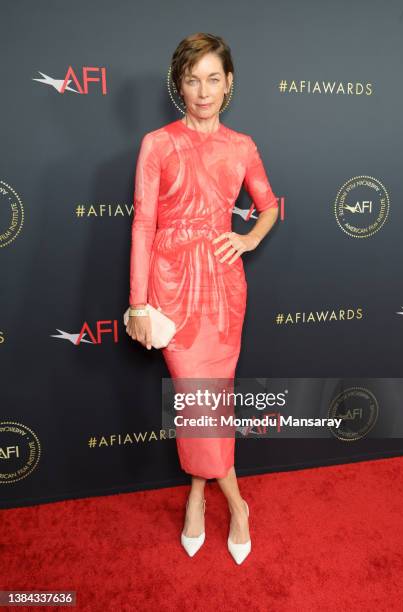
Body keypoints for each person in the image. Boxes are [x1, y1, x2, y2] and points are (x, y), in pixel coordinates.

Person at [126, 33, 278, 564]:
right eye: (193, 79)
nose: (204, 90)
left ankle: (200, 498)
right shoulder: (156, 143)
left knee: (208, 402)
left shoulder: (242, 146)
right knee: (199, 401)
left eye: (214, 78)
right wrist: (139, 303)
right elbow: (144, 224)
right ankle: (235, 502)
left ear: (229, 83)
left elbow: (269, 205)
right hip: (169, 287)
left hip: (221, 288)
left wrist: (249, 238)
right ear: (179, 85)